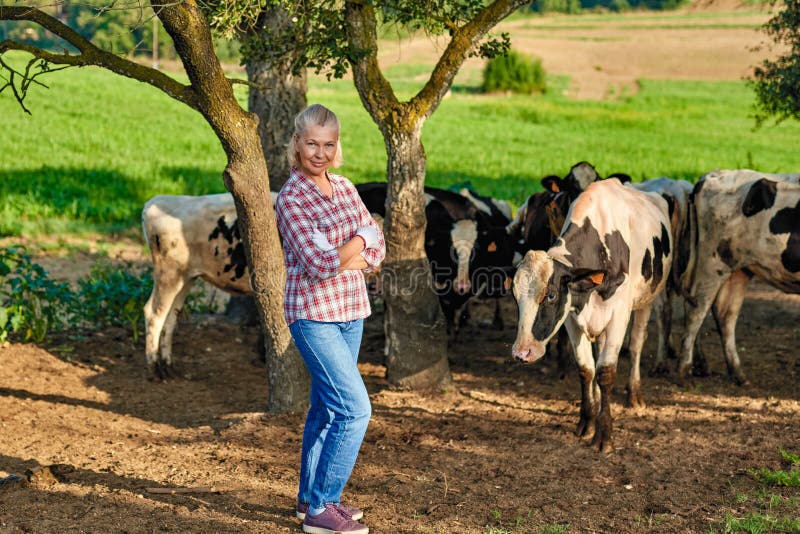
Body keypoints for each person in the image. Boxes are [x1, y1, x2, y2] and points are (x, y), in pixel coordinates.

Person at [275, 104, 385, 534]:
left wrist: (353, 250)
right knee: (354, 410)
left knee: (325, 407)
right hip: (313, 316)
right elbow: (322, 264)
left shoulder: (344, 187)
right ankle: (323, 508)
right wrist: (358, 240)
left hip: (351, 312)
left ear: (336, 146)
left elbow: (377, 254)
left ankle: (308, 499)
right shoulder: (291, 198)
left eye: (328, 144)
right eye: (311, 144)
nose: (319, 153)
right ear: (297, 144)